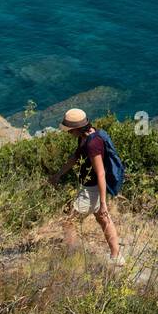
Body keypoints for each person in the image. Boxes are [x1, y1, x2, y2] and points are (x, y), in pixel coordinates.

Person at [50, 108, 124, 264]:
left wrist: (103, 203)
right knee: (104, 220)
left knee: (69, 222)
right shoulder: (86, 136)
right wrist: (58, 175)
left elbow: (101, 173)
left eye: (69, 130)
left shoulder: (93, 144)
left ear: (77, 128)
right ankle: (116, 257)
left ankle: (72, 258)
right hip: (91, 188)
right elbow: (75, 157)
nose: (68, 133)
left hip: (92, 190)